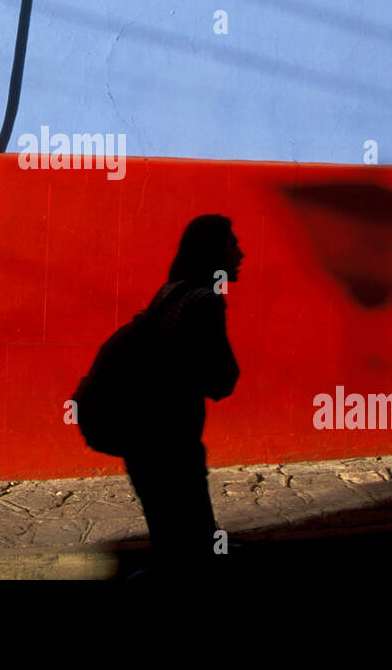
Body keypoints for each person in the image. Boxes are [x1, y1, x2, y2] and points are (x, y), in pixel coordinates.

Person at [122, 214, 242, 578]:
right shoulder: (206, 301)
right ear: (213, 253)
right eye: (231, 244)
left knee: (172, 543)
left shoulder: (171, 291)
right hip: (172, 444)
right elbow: (221, 380)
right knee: (195, 547)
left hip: (143, 438)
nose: (240, 253)